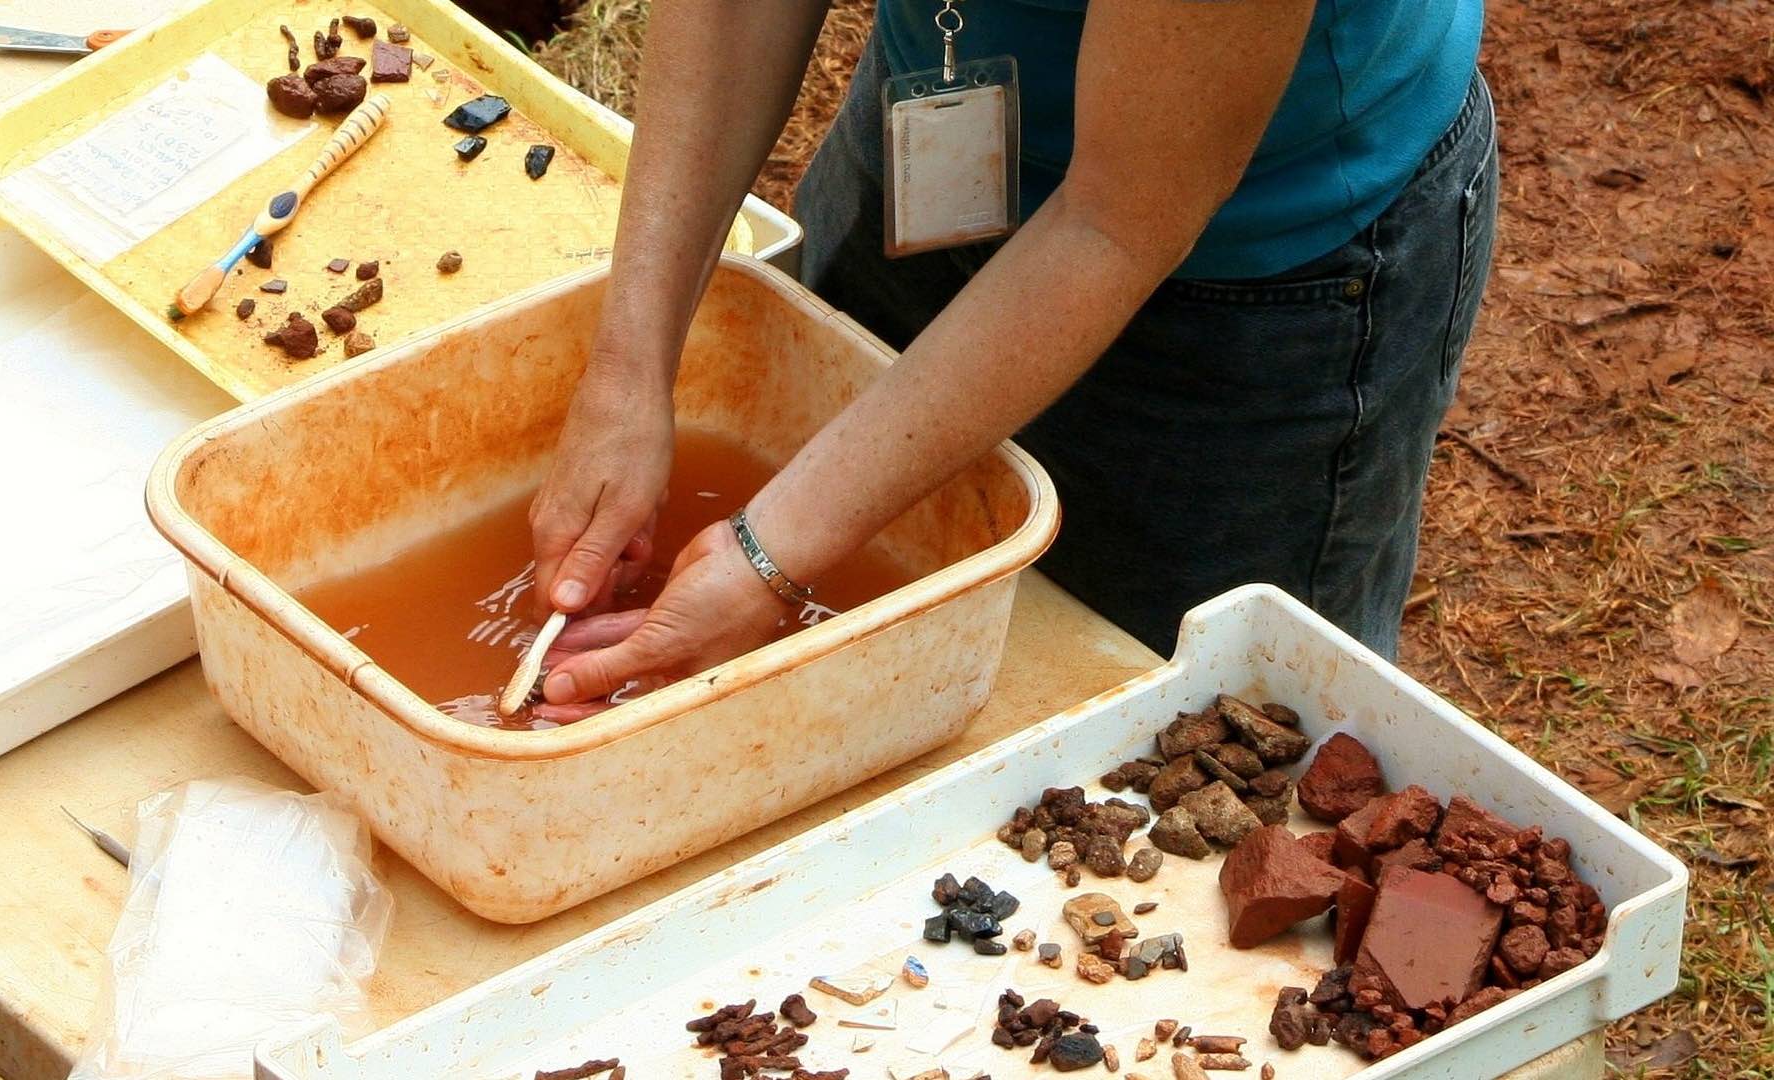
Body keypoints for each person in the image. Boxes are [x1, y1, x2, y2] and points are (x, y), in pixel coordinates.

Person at [527, 0, 1498, 711]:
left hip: (1253, 278)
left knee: (1193, 731)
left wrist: (764, 558)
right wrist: (629, 369)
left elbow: (1118, 222)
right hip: (945, 126)